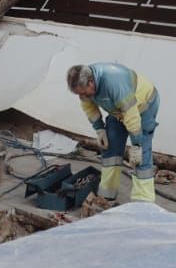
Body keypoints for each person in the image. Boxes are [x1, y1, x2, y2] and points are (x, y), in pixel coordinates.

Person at [66, 63, 160, 203]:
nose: (82, 96)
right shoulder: (85, 84)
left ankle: (143, 202)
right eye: (79, 94)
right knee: (110, 149)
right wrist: (100, 129)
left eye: (84, 93)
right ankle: (106, 195)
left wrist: (137, 144)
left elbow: (132, 117)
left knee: (141, 156)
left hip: (143, 107)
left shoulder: (114, 82)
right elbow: (88, 106)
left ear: (91, 82)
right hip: (118, 110)